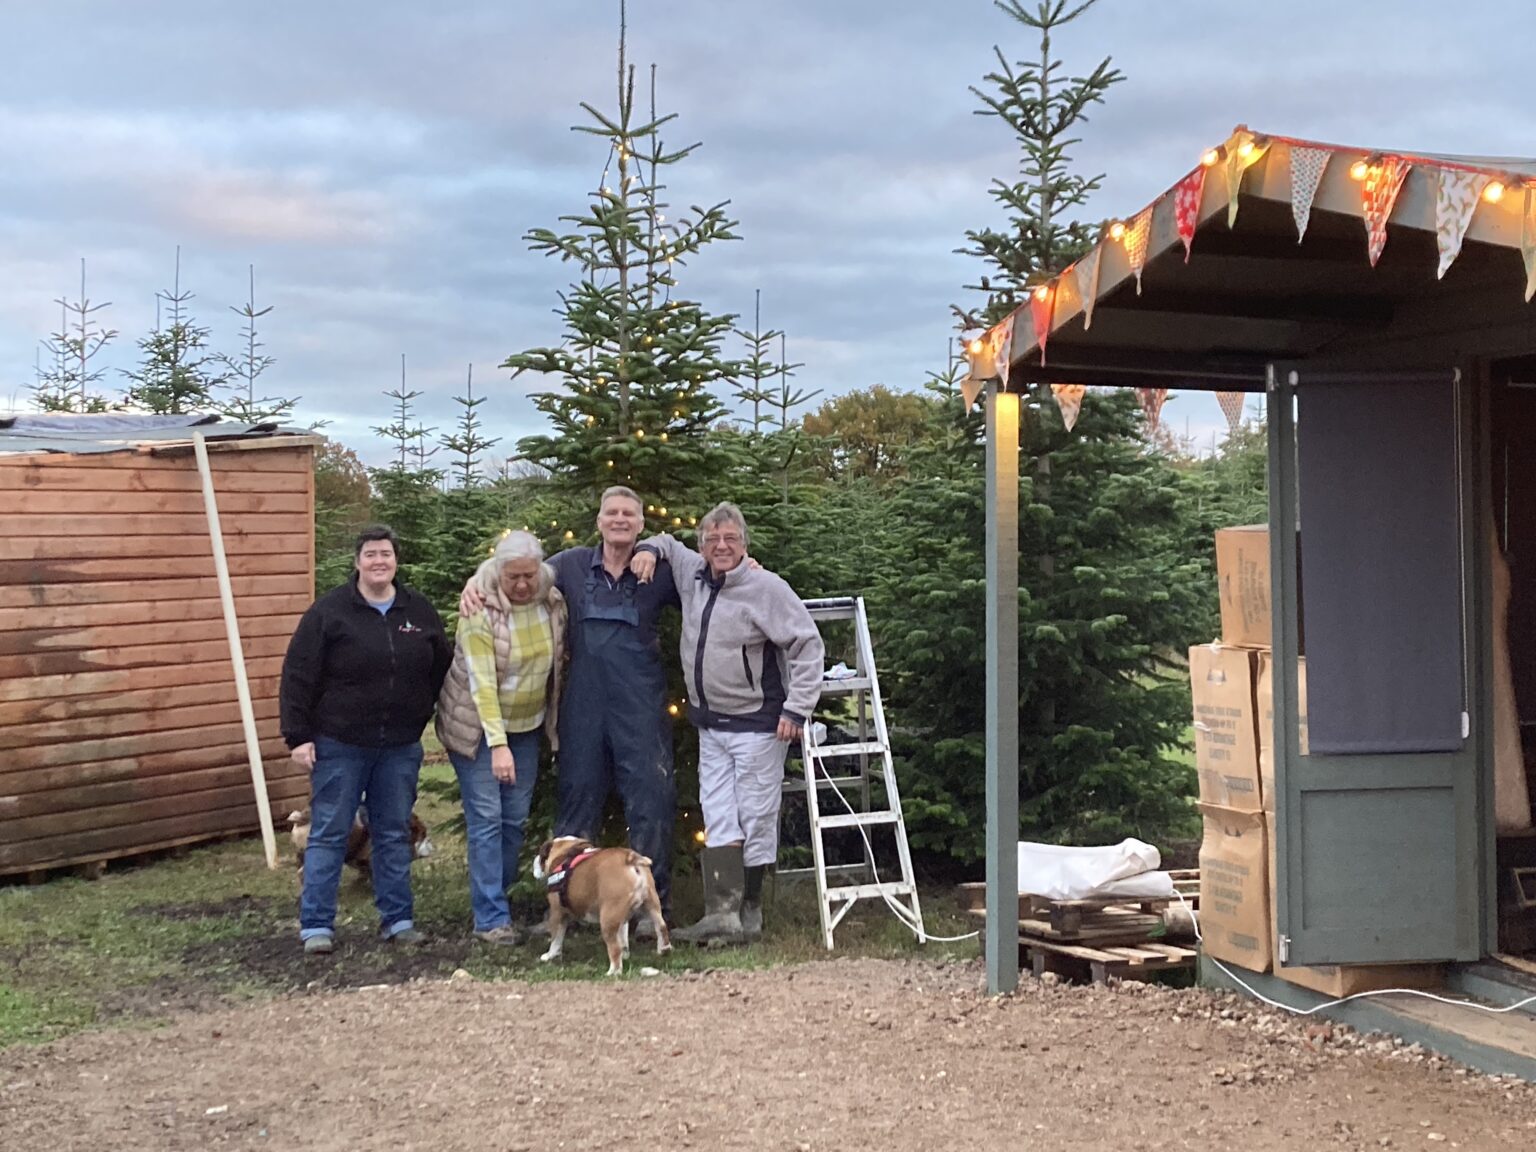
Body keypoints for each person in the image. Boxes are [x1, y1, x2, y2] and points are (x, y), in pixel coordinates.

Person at [461, 486, 681, 923]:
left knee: (651, 802)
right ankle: (566, 906)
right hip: (582, 706)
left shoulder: (660, 571)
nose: (619, 520)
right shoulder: (571, 565)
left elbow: (709, 577)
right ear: (598, 521)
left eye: (629, 515)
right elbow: (516, 571)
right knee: (577, 800)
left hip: (640, 707)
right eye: (611, 513)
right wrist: (476, 580)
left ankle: (650, 909)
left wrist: (661, 548)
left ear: (641, 525)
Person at [631, 502, 824, 942]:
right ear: (702, 545)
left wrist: (797, 708)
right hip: (710, 726)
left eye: (730, 539)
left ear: (744, 545)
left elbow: (807, 645)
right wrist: (646, 548)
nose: (721, 546)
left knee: (755, 815)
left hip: (758, 726)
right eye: (712, 539)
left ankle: (749, 910)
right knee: (718, 815)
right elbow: (665, 542)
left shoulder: (766, 588)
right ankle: (721, 913)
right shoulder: (690, 574)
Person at [280, 525, 452, 955]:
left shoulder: (418, 611)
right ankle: (316, 925)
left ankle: (398, 920)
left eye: (387, 554)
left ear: (396, 561)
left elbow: (441, 669)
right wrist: (298, 736)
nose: (379, 561)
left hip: (398, 746)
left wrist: (419, 712)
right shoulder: (330, 613)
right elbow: (298, 676)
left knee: (393, 833)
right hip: (340, 743)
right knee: (329, 832)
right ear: (357, 562)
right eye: (371, 554)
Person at [435, 532, 567, 945]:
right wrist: (497, 746)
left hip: (528, 726)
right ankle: (489, 918)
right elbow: (482, 686)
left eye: (529, 575)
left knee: (514, 820)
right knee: (487, 820)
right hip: (478, 731)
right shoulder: (480, 609)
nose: (523, 584)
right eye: (513, 577)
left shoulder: (553, 600)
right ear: (497, 573)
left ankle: (502, 899)